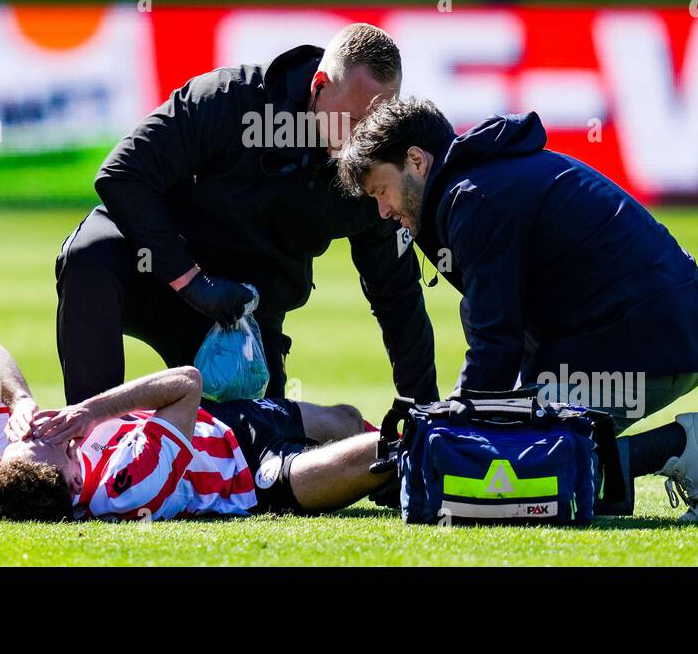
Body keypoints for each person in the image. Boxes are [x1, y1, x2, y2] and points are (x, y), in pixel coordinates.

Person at [336, 98, 698, 522]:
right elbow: (493, 327)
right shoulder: (477, 186)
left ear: (416, 161)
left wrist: (451, 429)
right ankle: (646, 461)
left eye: (381, 190)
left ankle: (681, 447)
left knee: (505, 466)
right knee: (504, 456)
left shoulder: (473, 198)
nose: (382, 211)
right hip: (654, 334)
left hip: (653, 342)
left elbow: (497, 343)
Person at [55, 23, 437, 406]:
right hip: (154, 273)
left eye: (377, 123)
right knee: (90, 255)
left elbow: (397, 296)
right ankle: (89, 443)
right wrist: (191, 281)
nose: (363, 139)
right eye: (353, 121)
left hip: (243, 317)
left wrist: (424, 413)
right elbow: (123, 174)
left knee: (253, 457)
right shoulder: (231, 101)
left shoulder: (378, 165)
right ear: (319, 85)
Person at [0, 332, 390, 523]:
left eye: (30, 433)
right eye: (52, 442)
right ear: (74, 482)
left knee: (347, 420)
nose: (41, 429)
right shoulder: (124, 488)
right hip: (254, 481)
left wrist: (20, 400)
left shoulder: (2, 454)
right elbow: (186, 383)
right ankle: (429, 451)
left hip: (224, 425)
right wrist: (90, 411)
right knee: (376, 452)